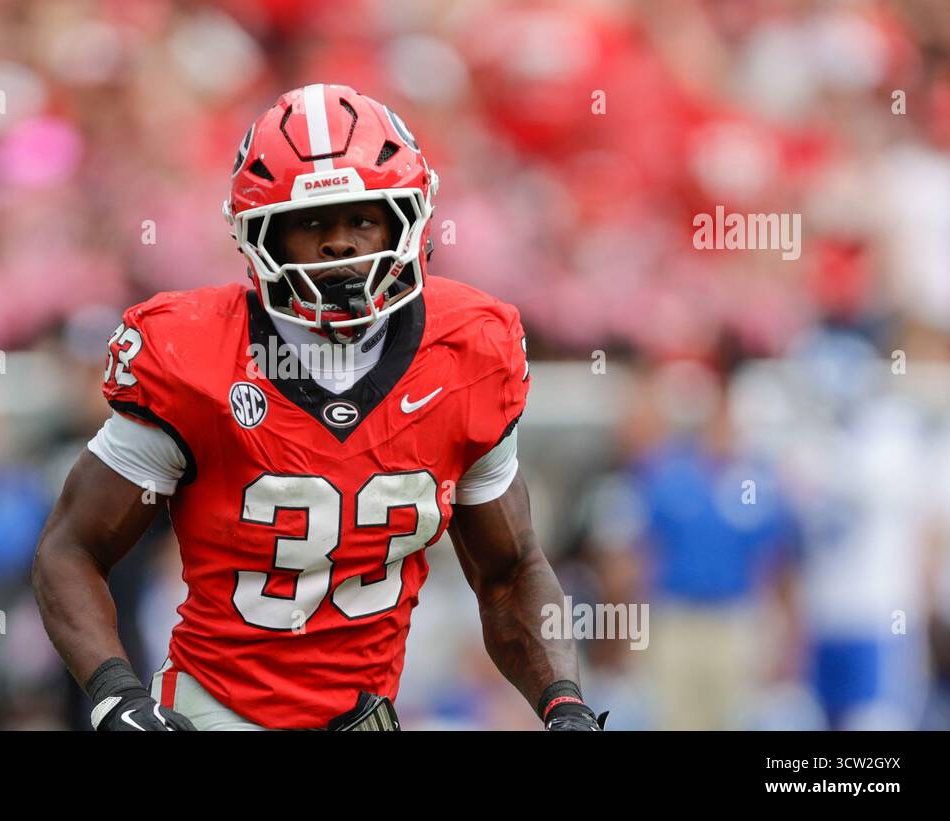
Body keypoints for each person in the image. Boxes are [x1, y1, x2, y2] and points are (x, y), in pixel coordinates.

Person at [33, 84, 605, 731]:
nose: (339, 244)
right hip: (215, 711)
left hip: (366, 718)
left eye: (362, 217)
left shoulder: (468, 351)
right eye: (311, 223)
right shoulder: (193, 355)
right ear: (262, 236)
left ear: (407, 218)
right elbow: (71, 549)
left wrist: (565, 703)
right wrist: (116, 695)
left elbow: (510, 570)